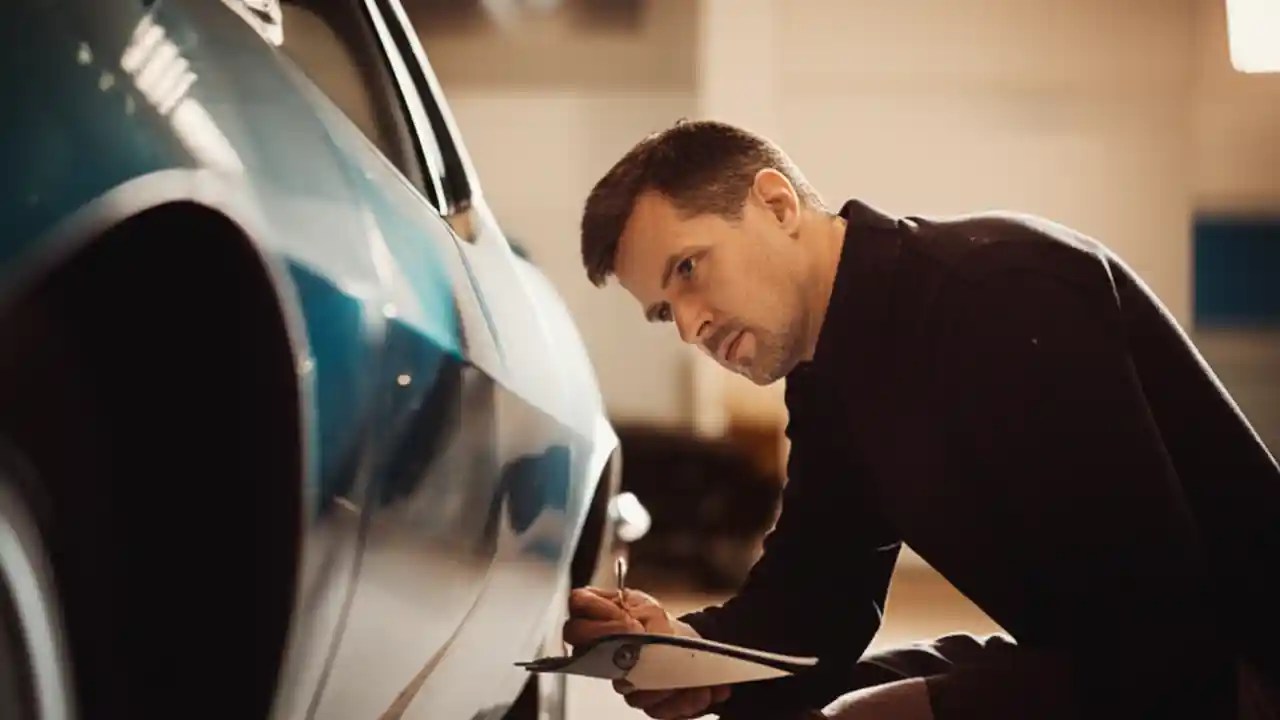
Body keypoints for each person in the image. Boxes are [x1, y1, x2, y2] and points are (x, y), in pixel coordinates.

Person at [561, 118, 1280, 720]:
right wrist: (687, 650)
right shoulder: (832, 375)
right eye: (664, 311)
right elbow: (816, 604)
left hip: (1231, 668)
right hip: (1106, 656)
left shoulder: (999, 292)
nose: (689, 327)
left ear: (777, 205)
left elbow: (1165, 632)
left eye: (688, 269)